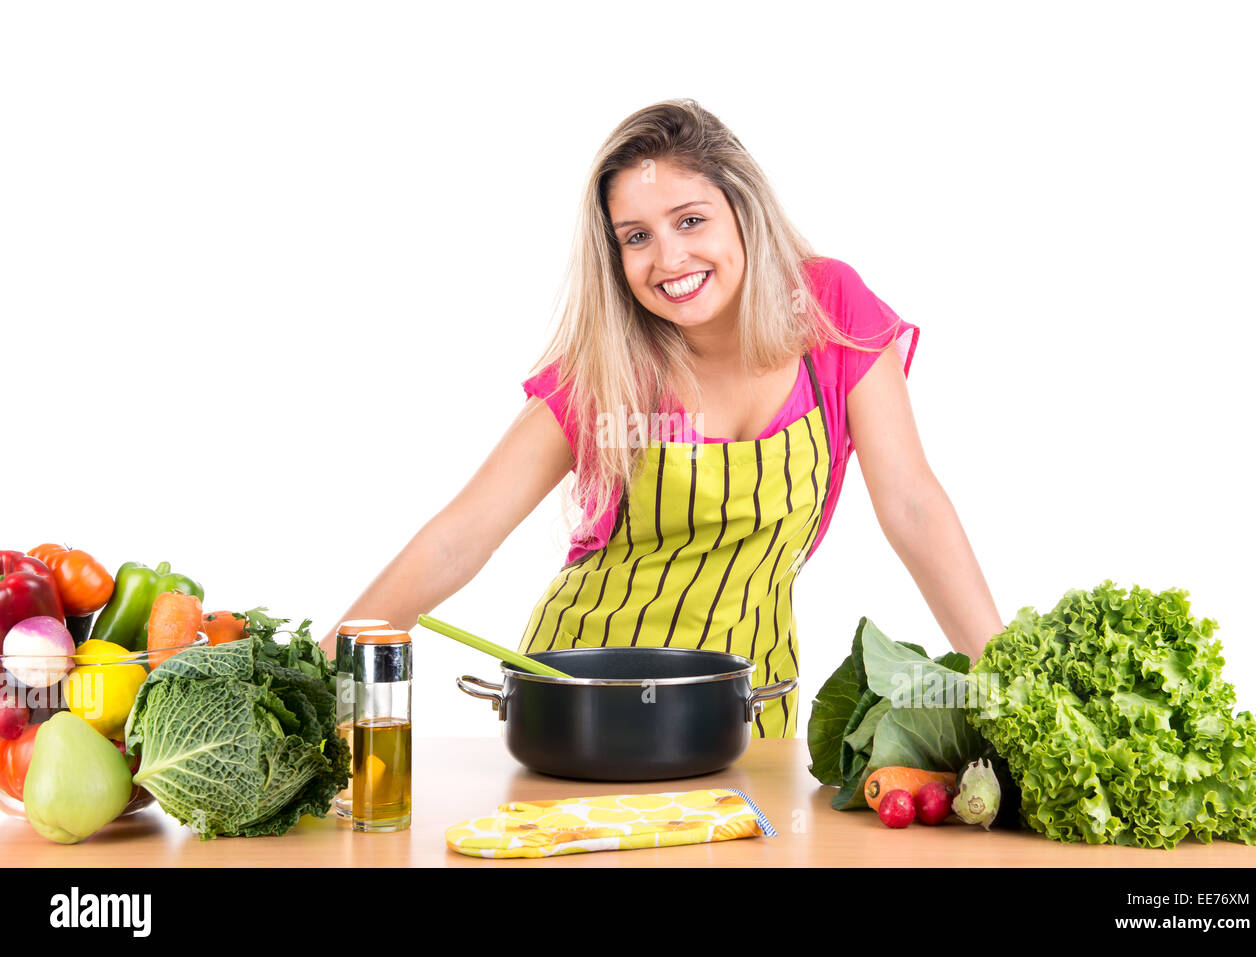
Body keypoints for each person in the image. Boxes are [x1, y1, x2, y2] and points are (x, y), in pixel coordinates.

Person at [324, 99, 1003, 737]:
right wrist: (326, 661)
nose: (669, 259)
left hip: (745, 703)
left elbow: (913, 506)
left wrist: (1011, 680)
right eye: (636, 236)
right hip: (585, 696)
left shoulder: (829, 308)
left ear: (743, 208)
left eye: (690, 220)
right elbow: (459, 537)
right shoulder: (609, 364)